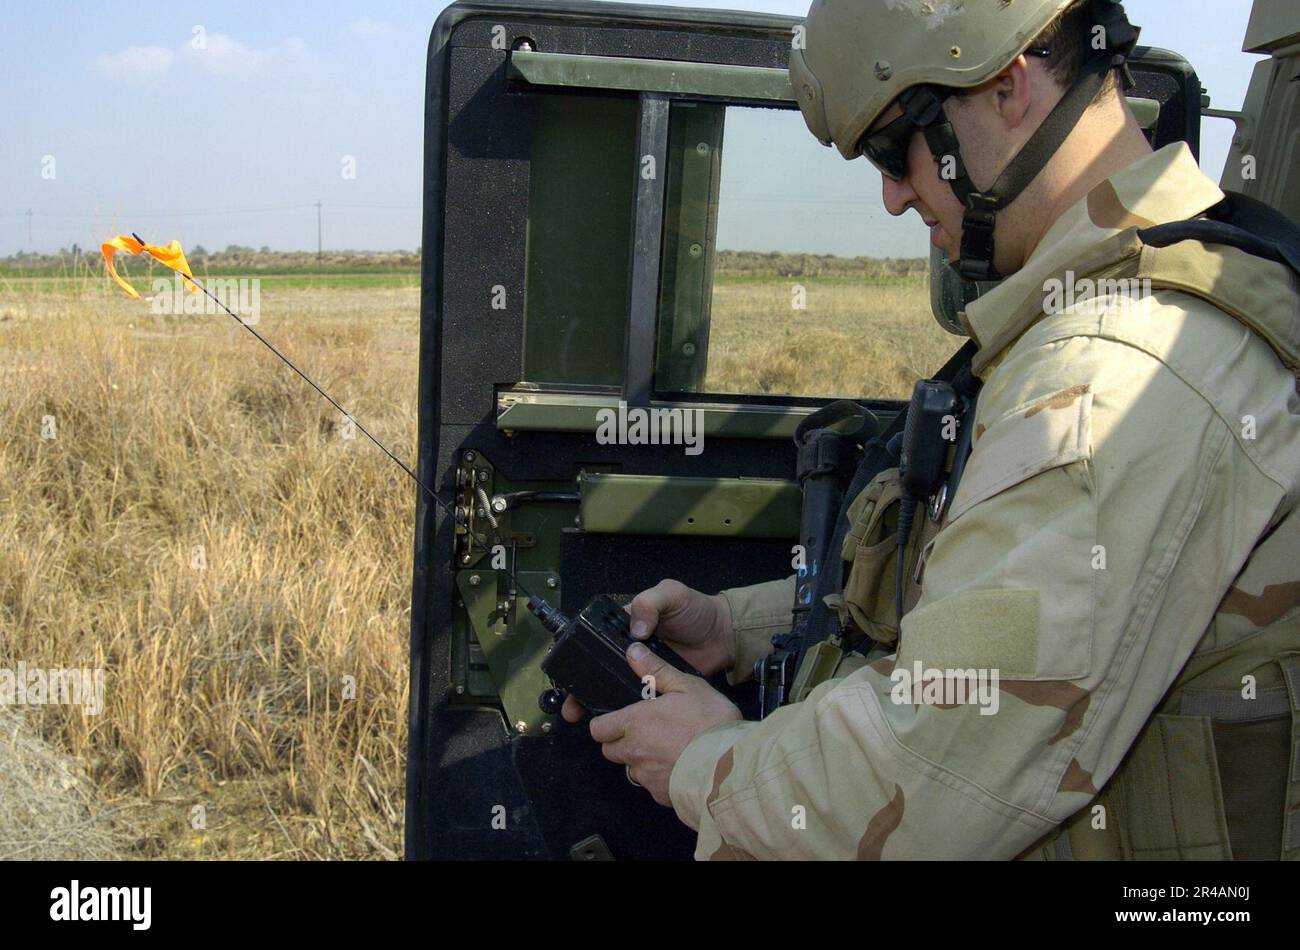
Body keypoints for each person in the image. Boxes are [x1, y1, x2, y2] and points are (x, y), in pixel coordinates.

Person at [563, 0, 1300, 859]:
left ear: (1006, 85)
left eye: (891, 149)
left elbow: (933, 778)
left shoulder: (1112, 370)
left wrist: (704, 764)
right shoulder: (1095, 314)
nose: (890, 196)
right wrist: (741, 628)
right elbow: (994, 612)